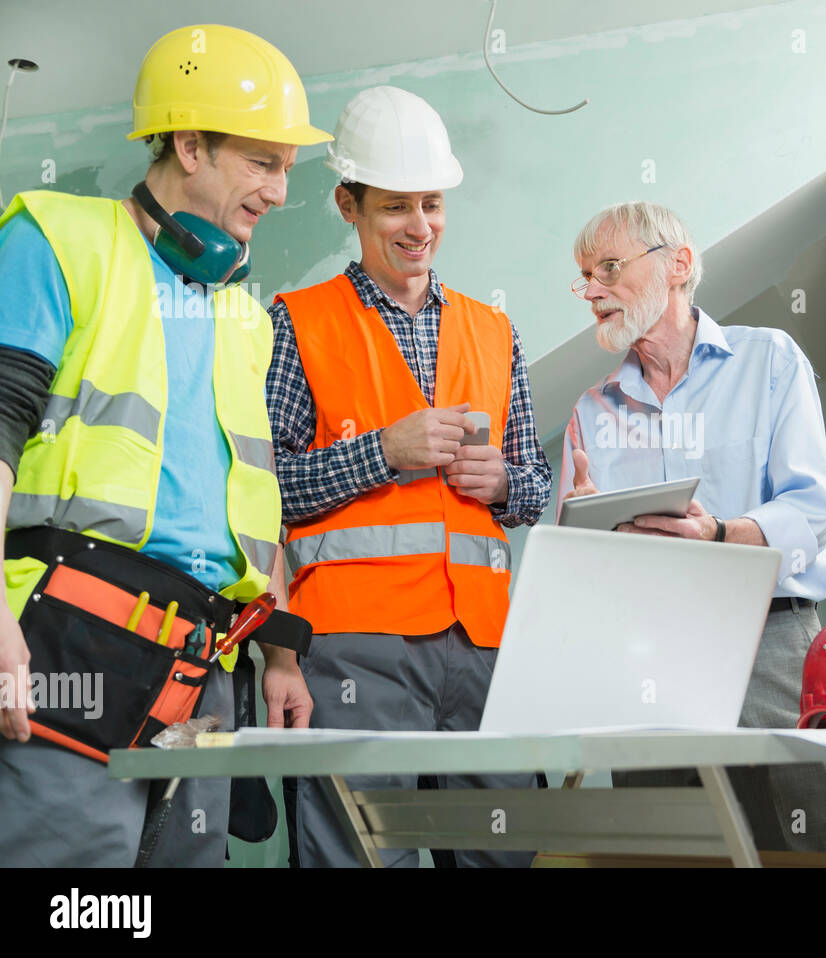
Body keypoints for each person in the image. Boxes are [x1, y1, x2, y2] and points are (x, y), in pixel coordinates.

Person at [0, 24, 323, 866]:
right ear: (188, 144)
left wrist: (278, 653)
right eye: (262, 161)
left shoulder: (243, 315)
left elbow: (249, 496)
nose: (281, 190)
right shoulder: (58, 241)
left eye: (288, 165)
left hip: (205, 670)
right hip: (67, 646)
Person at [269, 86, 552, 868]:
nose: (419, 227)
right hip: (355, 653)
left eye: (431, 203)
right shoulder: (297, 322)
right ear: (348, 206)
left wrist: (503, 483)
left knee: (503, 856)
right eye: (395, 207)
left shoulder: (495, 330)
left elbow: (534, 488)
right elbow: (264, 492)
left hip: (485, 648)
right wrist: (380, 453)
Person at [558, 201, 826, 854]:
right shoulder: (590, 411)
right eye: (584, 275)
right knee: (669, 843)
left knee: (802, 836)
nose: (592, 290)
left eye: (609, 267)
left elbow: (809, 513)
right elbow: (575, 575)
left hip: (769, 633)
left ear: (678, 266)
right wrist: (576, 539)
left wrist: (719, 533)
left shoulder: (770, 360)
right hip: (652, 651)